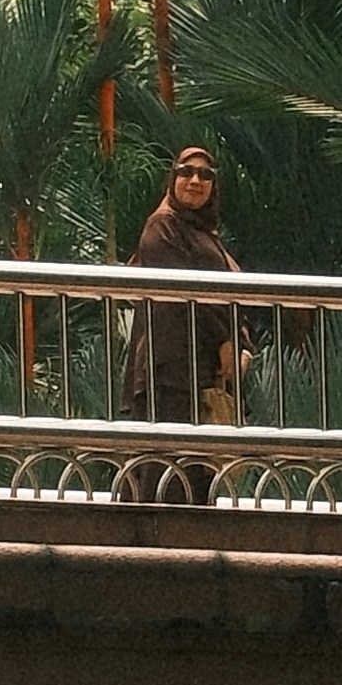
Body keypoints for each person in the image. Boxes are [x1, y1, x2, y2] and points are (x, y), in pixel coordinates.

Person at [119, 143, 244, 494]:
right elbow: (185, 290)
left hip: (200, 372)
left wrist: (242, 344)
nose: (195, 180)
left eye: (205, 175)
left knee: (196, 472)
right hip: (168, 369)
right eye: (185, 172)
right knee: (164, 471)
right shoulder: (162, 227)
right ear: (172, 179)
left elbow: (232, 294)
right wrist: (225, 339)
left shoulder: (206, 235)